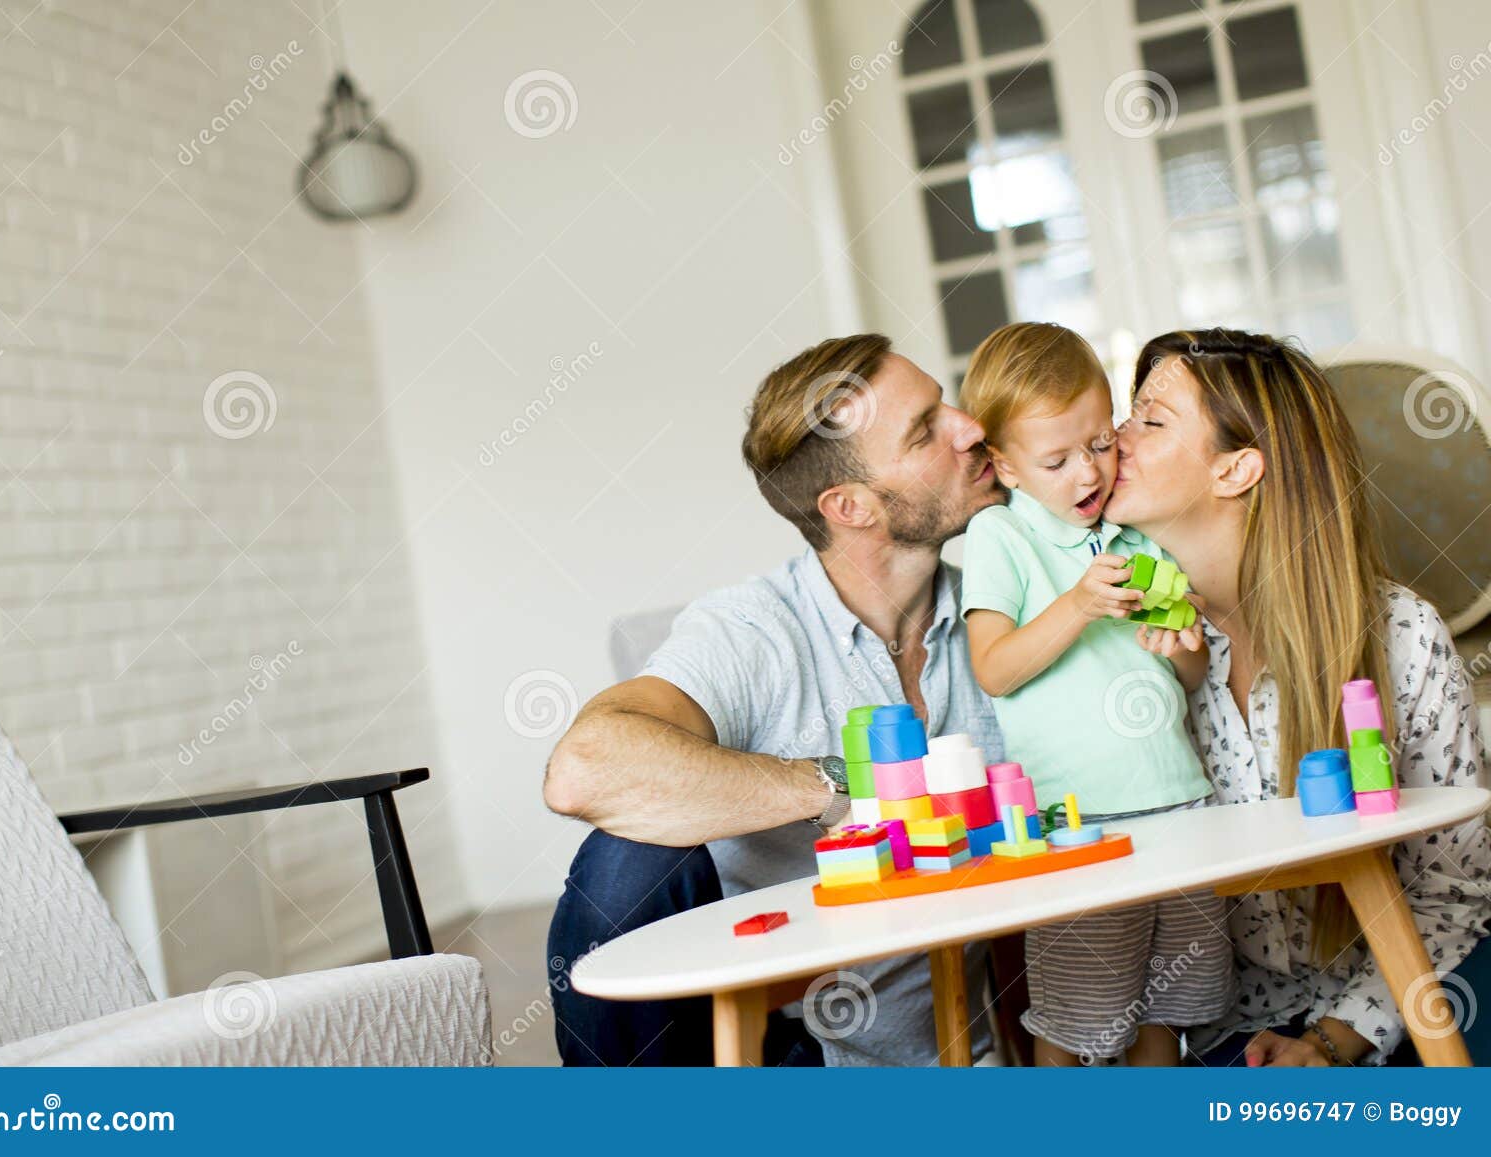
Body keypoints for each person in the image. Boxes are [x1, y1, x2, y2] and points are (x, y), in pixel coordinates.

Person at [542, 333, 1006, 1066]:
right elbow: (585, 766)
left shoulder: (1007, 620)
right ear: (850, 505)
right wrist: (829, 788)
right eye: (926, 429)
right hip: (794, 1062)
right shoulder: (756, 629)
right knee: (625, 859)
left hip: (968, 1060)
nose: (971, 425)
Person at [1105, 328, 1491, 1066]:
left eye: (1150, 421)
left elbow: (1454, 891)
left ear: (1237, 469)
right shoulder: (1130, 658)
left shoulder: (1401, 633)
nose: (1113, 438)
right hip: (1230, 1034)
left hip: (1410, 998)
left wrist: (1332, 1038)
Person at [957, 322, 1233, 1066]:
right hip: (1080, 820)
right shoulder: (1000, 537)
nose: (1088, 473)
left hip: (1181, 801)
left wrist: (1186, 653)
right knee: (1077, 1020)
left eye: (1100, 444)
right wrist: (1078, 604)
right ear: (1006, 468)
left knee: (1167, 1010)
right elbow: (994, 667)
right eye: (1056, 460)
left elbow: (1188, 681)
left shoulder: (1135, 534)